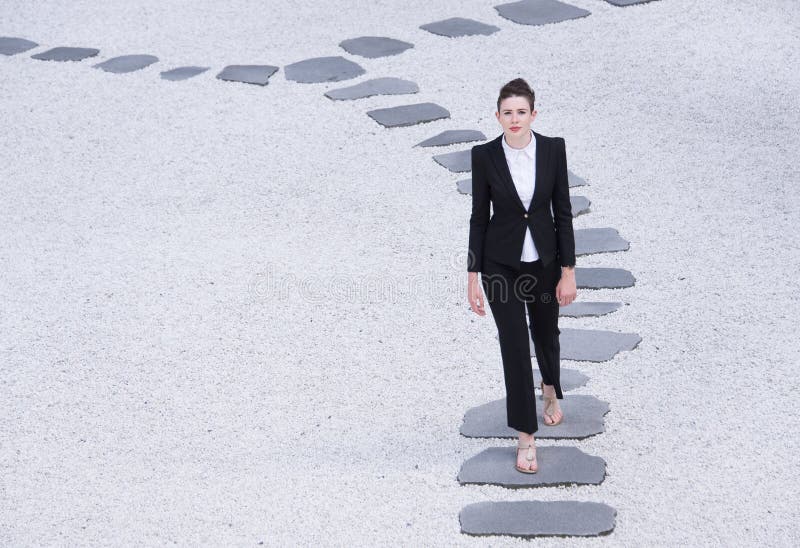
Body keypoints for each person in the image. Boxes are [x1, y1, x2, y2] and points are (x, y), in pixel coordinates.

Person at [467, 78, 577, 474]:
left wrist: (568, 271)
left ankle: (550, 389)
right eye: (507, 113)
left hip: (545, 263)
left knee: (546, 334)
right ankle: (526, 436)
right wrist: (472, 274)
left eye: (521, 112)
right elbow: (479, 216)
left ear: (534, 114)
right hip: (500, 266)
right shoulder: (483, 156)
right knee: (514, 344)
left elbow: (562, 211)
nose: (514, 119)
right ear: (497, 116)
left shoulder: (552, 150)